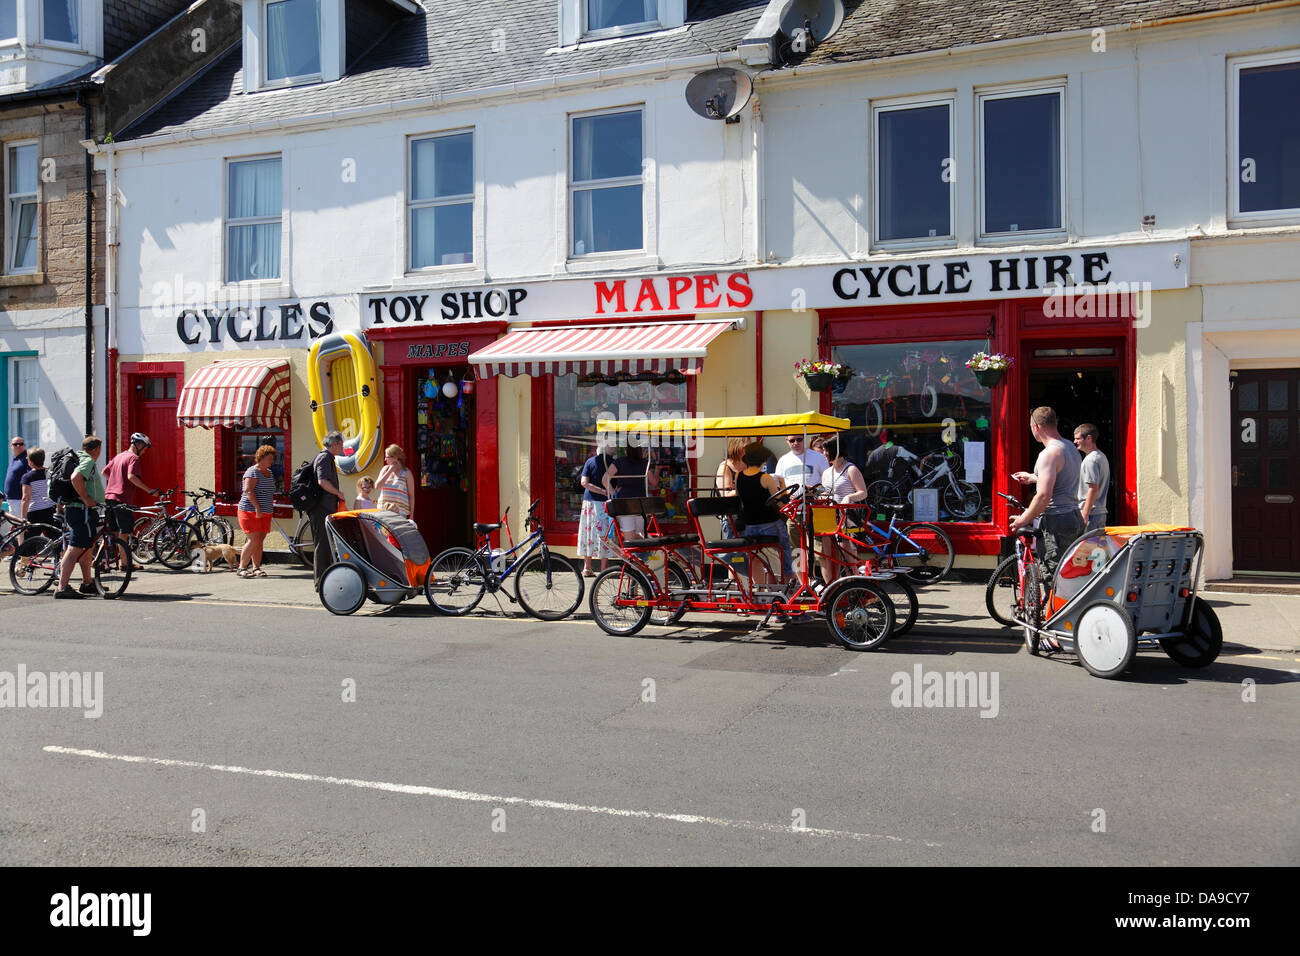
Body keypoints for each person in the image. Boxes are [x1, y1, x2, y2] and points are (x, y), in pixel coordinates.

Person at [1010, 407, 1084, 574]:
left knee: (1054, 574)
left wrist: (1023, 519)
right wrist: (1033, 477)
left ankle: (1057, 601)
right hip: (1074, 516)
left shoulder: (1048, 454)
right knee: (1073, 573)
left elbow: (1043, 496)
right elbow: (1062, 478)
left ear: (1036, 427)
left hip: (1056, 521)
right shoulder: (1070, 448)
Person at [736, 442, 798, 612]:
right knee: (784, 555)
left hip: (750, 526)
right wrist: (783, 486)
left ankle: (760, 589)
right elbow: (780, 502)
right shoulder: (766, 478)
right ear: (763, 459)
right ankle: (784, 590)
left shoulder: (739, 477)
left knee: (756, 558)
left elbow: (741, 500)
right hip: (770, 525)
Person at [55, 436, 105, 599]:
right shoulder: (88, 461)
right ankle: (62, 587)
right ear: (96, 449)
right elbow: (76, 477)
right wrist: (86, 498)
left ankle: (87, 583)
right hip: (82, 510)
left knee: (86, 546)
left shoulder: (79, 457)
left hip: (80, 510)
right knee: (75, 547)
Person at [774, 433, 829, 577]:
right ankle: (804, 586)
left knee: (819, 551)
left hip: (815, 510)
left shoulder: (817, 457)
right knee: (796, 551)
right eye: (792, 440)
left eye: (799, 439)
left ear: (805, 439)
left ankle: (825, 585)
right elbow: (778, 487)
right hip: (793, 512)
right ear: (786, 441)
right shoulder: (783, 460)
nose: (796, 443)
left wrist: (814, 490)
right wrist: (785, 499)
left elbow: (828, 485)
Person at [817, 435, 869, 588]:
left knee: (847, 556)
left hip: (845, 517)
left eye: (826, 450)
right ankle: (833, 589)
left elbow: (863, 492)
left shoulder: (850, 469)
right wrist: (817, 495)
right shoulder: (826, 472)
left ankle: (853, 587)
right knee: (829, 557)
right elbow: (823, 491)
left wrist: (849, 497)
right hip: (828, 517)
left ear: (836, 450)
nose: (824, 454)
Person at [103, 432, 159, 569]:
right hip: (122, 499)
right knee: (125, 532)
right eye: (145, 448)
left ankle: (102, 561)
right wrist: (149, 490)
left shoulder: (119, 456)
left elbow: (104, 472)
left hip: (109, 497)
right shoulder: (134, 458)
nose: (144, 452)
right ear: (139, 445)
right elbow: (131, 477)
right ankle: (125, 563)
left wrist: (114, 483)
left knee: (113, 532)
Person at [310, 432, 348, 586]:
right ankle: (321, 581)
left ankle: (324, 579)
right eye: (341, 444)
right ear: (335, 444)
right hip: (322, 507)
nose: (342, 447)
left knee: (325, 542)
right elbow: (322, 481)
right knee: (323, 543)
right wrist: (338, 493)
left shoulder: (327, 458)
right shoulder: (325, 458)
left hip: (324, 506)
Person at [237, 444, 277, 578]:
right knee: (253, 539)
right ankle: (242, 567)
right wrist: (257, 508)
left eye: (272, 459)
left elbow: (268, 491)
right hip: (250, 511)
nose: (272, 461)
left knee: (259, 540)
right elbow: (248, 491)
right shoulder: (252, 472)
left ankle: (256, 568)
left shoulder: (269, 473)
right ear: (262, 457)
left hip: (265, 511)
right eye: (270, 458)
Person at [603, 444, 659, 538]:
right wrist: (658, 470)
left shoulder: (619, 462)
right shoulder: (645, 463)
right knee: (640, 533)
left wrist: (614, 493)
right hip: (640, 503)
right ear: (640, 450)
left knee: (630, 537)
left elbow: (604, 480)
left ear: (626, 450)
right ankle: (644, 550)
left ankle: (640, 550)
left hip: (624, 503)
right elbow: (654, 482)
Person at [577, 441, 615, 576]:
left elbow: (584, 482)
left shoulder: (590, 461)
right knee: (604, 534)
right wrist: (605, 492)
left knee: (588, 533)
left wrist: (598, 490)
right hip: (605, 503)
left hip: (589, 503)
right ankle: (604, 569)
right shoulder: (613, 463)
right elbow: (616, 484)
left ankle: (587, 567)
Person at [1073, 423, 1111, 533]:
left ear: (1089, 438)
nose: (1075, 442)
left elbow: (1093, 488)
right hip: (1098, 513)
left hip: (1091, 515)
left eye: (1078, 438)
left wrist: (1085, 514)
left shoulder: (1091, 460)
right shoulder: (1101, 456)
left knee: (1087, 549)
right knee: (1096, 549)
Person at [713, 437, 748, 538]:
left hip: (748, 515)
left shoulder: (747, 464)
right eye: (746, 447)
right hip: (732, 517)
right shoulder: (725, 467)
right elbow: (726, 495)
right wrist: (746, 488)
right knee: (737, 551)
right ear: (736, 447)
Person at [20, 447, 55, 540]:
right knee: (56, 540)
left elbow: (26, 498)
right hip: (51, 510)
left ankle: (24, 555)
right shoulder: (51, 473)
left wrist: (23, 518)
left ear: (31, 462)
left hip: (35, 513)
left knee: (29, 543)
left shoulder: (27, 477)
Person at [374, 444, 414, 517]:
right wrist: (390, 471)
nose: (385, 459)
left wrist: (411, 516)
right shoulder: (385, 469)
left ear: (395, 457)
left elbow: (411, 496)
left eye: (387, 457)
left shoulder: (407, 473)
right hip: (383, 511)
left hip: (400, 513)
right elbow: (377, 487)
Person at [5, 435, 29, 517]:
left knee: (22, 526)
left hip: (19, 500)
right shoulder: (14, 458)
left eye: (21, 444)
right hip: (11, 500)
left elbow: (30, 477)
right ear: (11, 446)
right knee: (16, 526)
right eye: (15, 444)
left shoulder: (27, 459)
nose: (18, 446)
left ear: (24, 445)